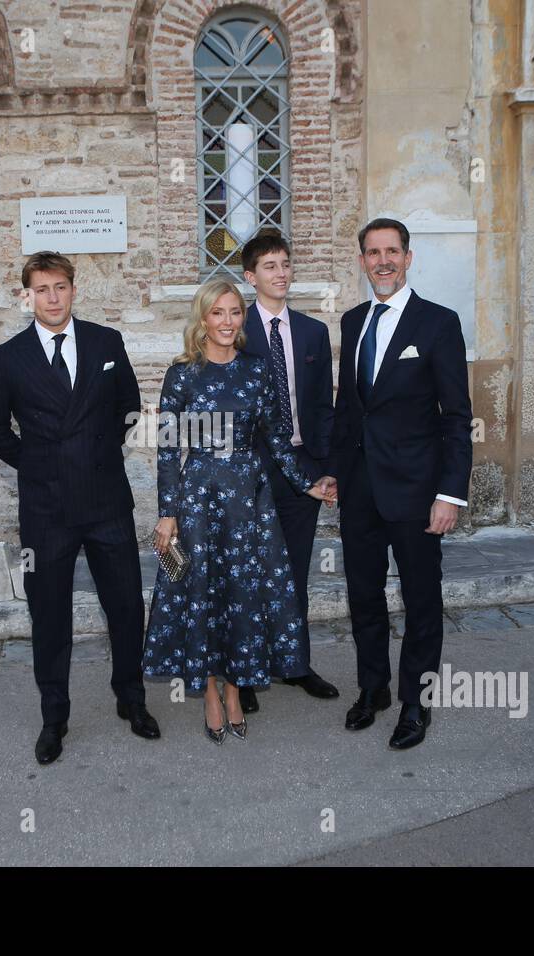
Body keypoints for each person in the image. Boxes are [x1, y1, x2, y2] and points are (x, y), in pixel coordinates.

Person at [0, 251, 160, 766]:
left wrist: (99, 450)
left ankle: (132, 700)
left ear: (73, 290)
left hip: (106, 501)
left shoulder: (106, 341)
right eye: (41, 289)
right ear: (27, 296)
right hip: (46, 509)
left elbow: (129, 404)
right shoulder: (7, 357)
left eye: (60, 287)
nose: (52, 297)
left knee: (126, 606)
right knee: (50, 616)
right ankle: (54, 717)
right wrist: (39, 465)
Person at [143, 278, 335, 744]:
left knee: (242, 594)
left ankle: (235, 689)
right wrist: (167, 513)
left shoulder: (256, 369)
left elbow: (274, 436)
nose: (227, 322)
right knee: (202, 594)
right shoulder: (182, 374)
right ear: (203, 319)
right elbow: (168, 451)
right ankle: (210, 691)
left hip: (249, 499)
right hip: (199, 498)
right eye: (217, 313)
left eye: (234, 313)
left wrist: (307, 482)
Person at [330, 218, 472, 750]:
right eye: (372, 252)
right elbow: (349, 409)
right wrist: (335, 472)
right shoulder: (351, 322)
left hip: (417, 493)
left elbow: (457, 415)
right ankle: (374, 689)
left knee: (420, 600)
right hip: (360, 491)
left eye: (392, 251)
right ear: (362, 261)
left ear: (408, 258)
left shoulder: (438, 323)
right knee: (363, 596)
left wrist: (449, 493)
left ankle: (416, 702)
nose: (382, 261)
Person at [237, 233, 340, 714]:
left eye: (285, 264)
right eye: (269, 266)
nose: (280, 273)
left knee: (295, 570)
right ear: (250, 276)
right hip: (252, 472)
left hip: (302, 468)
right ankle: (248, 670)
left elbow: (324, 405)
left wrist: (324, 469)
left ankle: (295, 664)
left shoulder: (313, 332)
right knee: (252, 570)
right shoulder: (236, 333)